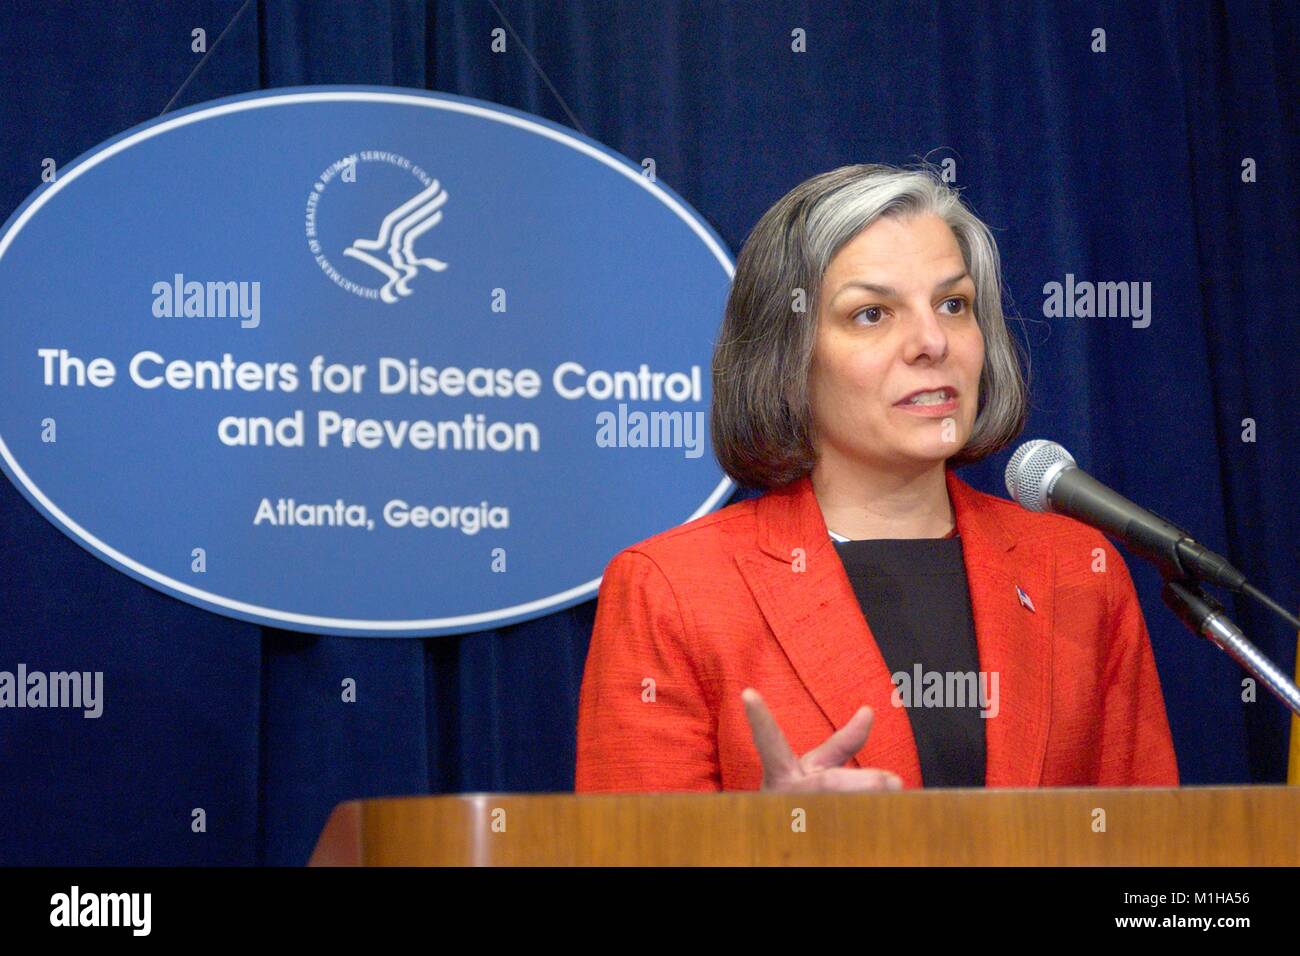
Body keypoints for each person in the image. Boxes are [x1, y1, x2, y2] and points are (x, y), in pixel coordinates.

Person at [575, 163, 1179, 793]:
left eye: (953, 304)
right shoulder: (673, 589)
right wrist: (767, 846)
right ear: (787, 356)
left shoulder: (1077, 570)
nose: (930, 341)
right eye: (871, 314)